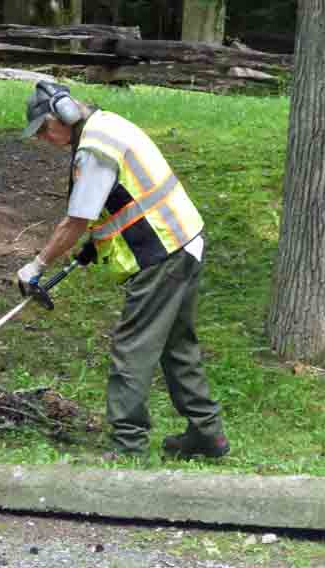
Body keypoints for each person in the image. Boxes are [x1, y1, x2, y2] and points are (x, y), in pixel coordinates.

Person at [17, 81, 229, 461]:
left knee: (131, 349)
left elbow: (76, 220)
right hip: (184, 240)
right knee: (177, 345)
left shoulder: (94, 149)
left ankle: (128, 446)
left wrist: (37, 265)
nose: (45, 140)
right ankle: (207, 434)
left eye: (45, 130)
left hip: (161, 251)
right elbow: (124, 199)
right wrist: (95, 245)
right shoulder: (107, 124)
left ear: (62, 117)